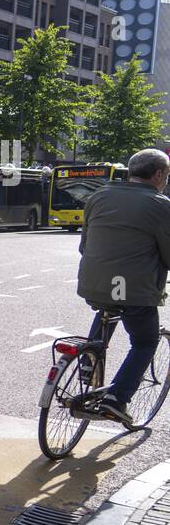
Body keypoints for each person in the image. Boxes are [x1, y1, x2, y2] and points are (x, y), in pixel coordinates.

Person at [77, 148, 170, 425]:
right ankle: (117, 399)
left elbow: (84, 245)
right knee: (145, 341)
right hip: (132, 288)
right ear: (158, 174)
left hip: (92, 282)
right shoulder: (161, 205)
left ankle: (88, 360)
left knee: (109, 306)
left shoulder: (98, 196)